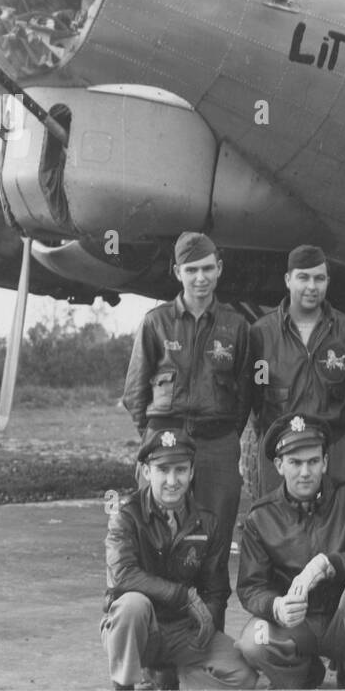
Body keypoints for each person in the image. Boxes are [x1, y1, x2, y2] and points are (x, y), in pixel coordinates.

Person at [121, 231, 252, 625]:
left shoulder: (236, 326)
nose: (200, 278)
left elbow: (244, 395)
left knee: (212, 545)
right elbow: (134, 392)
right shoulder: (156, 322)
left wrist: (226, 437)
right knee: (156, 541)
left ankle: (210, 637)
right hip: (165, 440)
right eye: (191, 269)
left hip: (216, 445)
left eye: (208, 268)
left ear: (219, 270)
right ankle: (157, 654)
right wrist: (154, 442)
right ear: (177, 272)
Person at [236, 413, 345, 689]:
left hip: (341, 618)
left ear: (325, 462)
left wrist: (328, 563)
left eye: (313, 462)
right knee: (252, 641)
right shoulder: (261, 516)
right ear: (280, 465)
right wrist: (276, 606)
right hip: (295, 623)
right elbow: (250, 587)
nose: (305, 472)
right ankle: (303, 675)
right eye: (295, 463)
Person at [101, 428, 257, 691]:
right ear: (147, 472)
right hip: (142, 629)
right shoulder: (126, 515)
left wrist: (208, 620)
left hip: (182, 630)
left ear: (192, 472)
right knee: (131, 605)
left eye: (180, 470)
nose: (172, 480)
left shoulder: (207, 522)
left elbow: (216, 589)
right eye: (163, 470)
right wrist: (184, 596)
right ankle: (124, 690)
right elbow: (123, 575)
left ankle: (180, 679)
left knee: (243, 676)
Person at [248, 245, 345, 498]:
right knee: (276, 527)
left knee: (337, 525)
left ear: (327, 282)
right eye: (303, 277)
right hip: (281, 447)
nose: (312, 287)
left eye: (319, 278)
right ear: (288, 280)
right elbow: (255, 395)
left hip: (334, 446)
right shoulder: (262, 334)